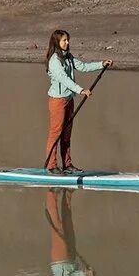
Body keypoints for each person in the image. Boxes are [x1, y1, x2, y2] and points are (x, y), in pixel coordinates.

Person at [43, 28, 110, 172]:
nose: (67, 42)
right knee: (56, 133)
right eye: (64, 40)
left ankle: (67, 165)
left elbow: (83, 66)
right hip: (57, 101)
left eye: (68, 40)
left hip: (68, 99)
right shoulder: (55, 60)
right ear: (57, 42)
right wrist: (80, 90)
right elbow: (63, 79)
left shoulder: (68, 56)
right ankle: (51, 166)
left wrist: (101, 64)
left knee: (67, 134)